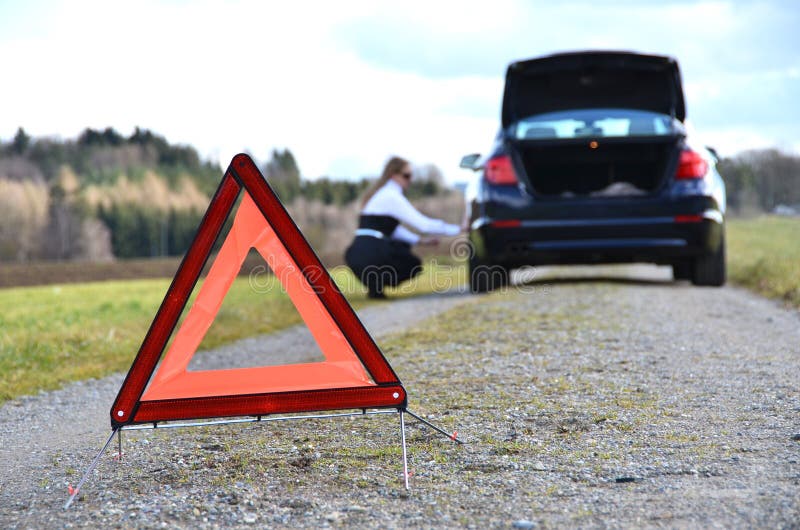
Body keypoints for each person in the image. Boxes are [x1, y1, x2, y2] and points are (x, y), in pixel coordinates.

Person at [345, 156, 461, 299]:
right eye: (407, 175)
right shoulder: (392, 196)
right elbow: (424, 225)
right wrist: (458, 229)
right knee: (412, 264)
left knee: (395, 247)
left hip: (355, 255)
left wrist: (420, 241)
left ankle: (376, 288)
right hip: (373, 254)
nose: (410, 179)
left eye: (411, 175)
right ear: (394, 176)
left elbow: (391, 229)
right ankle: (377, 283)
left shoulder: (379, 195)